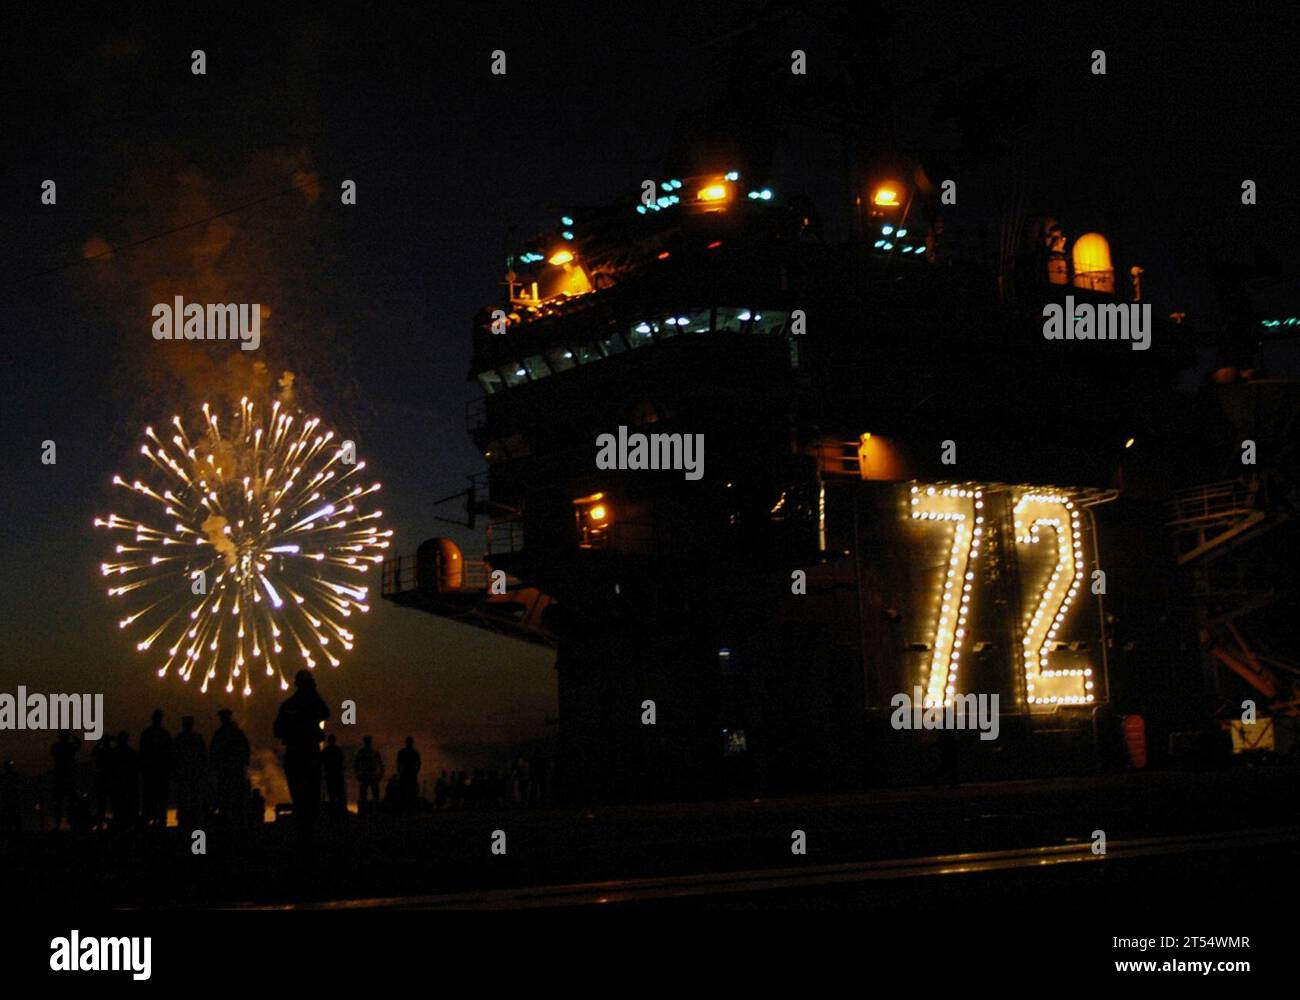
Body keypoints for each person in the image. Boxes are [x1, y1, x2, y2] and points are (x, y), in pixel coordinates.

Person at [273, 670, 330, 828]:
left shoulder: (287, 705)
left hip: (294, 754)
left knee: (299, 795)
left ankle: (302, 828)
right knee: (312, 795)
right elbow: (326, 713)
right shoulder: (313, 703)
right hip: (310, 753)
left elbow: (277, 730)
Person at [210, 709, 251, 827]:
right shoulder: (236, 732)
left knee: (226, 796)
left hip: (226, 770)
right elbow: (246, 747)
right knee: (235, 796)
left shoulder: (220, 733)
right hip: (234, 770)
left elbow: (213, 751)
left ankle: (227, 822)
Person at [172, 716, 207, 829]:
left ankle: (184, 819)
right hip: (193, 774)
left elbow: (174, 756)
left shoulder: (179, 738)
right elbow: (203, 756)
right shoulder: (197, 738)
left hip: (185, 774)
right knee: (193, 797)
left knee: (184, 797)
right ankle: (194, 819)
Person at [139, 709, 171, 828]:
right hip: (157, 773)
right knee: (157, 799)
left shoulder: (147, 734)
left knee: (154, 799)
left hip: (154, 773)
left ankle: (154, 821)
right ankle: (158, 821)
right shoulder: (164, 734)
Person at [50, 731, 80, 831]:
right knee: (67, 803)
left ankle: (60, 825)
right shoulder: (69, 747)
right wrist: (71, 735)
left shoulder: (56, 747)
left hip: (61, 778)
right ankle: (69, 824)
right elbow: (78, 744)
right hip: (67, 778)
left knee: (61, 804)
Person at [110, 731, 140, 830]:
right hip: (126, 785)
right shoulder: (131, 753)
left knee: (120, 809)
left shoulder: (114, 753)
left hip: (121, 785)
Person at [354, 736, 383, 815]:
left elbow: (356, 764)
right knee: (375, 795)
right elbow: (380, 764)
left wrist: (357, 774)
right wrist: (380, 774)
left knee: (364, 795)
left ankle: (364, 812)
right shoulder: (374, 752)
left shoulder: (362, 752)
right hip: (372, 775)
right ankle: (376, 811)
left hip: (365, 775)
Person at [92, 733, 115, 826]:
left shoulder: (101, 751)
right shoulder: (112, 752)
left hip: (102, 778)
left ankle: (101, 822)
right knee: (110, 801)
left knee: (101, 803)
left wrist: (100, 742)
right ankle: (112, 822)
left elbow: (94, 751)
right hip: (109, 778)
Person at [321, 734, 346, 816]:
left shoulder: (325, 751)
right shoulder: (338, 750)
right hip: (337, 775)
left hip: (330, 776)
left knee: (332, 794)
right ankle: (340, 811)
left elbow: (321, 763)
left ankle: (333, 812)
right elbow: (342, 763)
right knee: (339, 794)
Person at [396, 737, 421, 808]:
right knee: (408, 790)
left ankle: (406, 806)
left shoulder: (402, 752)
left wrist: (399, 771)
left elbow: (398, 763)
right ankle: (408, 806)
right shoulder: (414, 752)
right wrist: (416, 770)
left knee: (407, 790)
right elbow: (419, 763)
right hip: (409, 773)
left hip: (407, 773)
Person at [1, 760, 22, 834]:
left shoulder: (13, 776)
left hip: (11, 801)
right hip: (9, 801)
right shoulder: (12, 776)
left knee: (12, 821)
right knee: (10, 821)